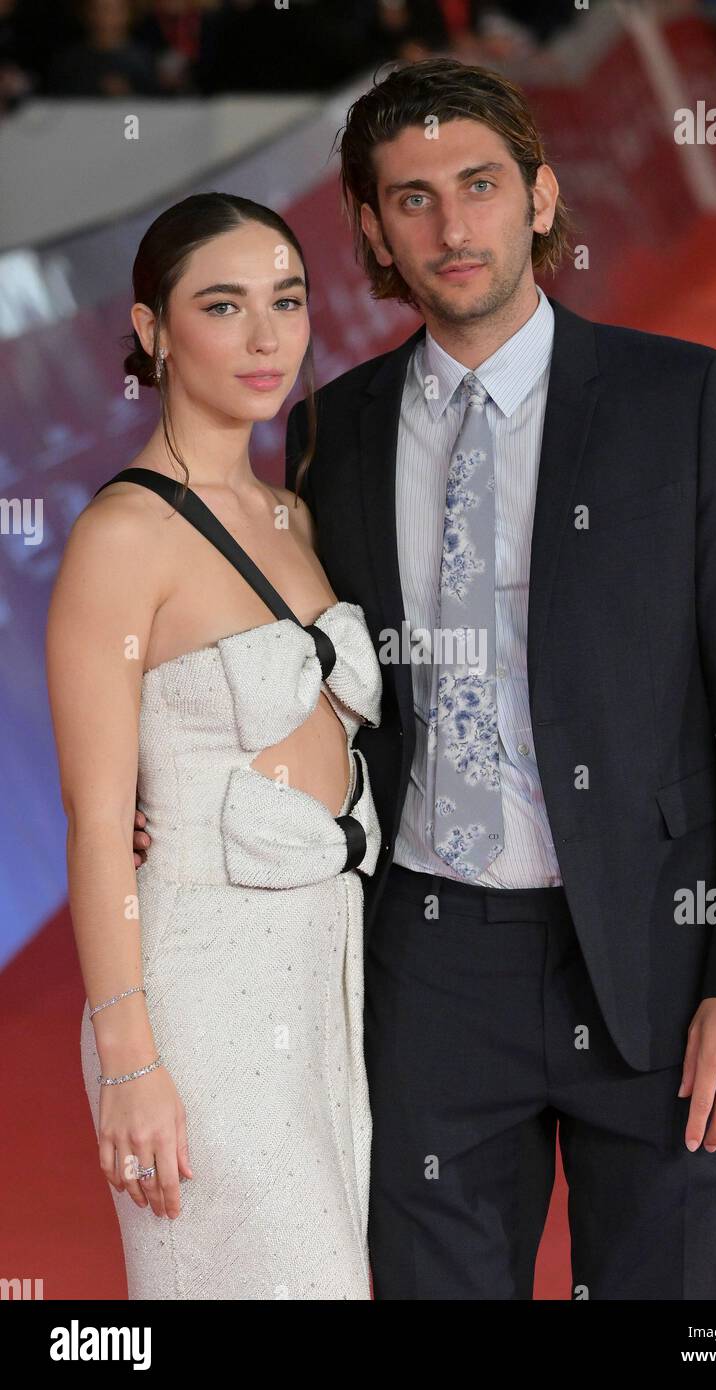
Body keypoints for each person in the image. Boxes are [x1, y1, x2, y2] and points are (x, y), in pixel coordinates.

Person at [136, 57, 716, 1301]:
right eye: (410, 199)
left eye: (480, 186)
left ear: (541, 199)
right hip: (432, 967)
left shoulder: (684, 399)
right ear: (373, 232)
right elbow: (304, 662)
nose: (452, 227)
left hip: (653, 957)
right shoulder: (332, 427)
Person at [47, 192, 383, 1300]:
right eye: (222, 305)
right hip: (199, 986)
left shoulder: (292, 512)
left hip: (327, 968)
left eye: (284, 302)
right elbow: (100, 828)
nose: (264, 338)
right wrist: (133, 1060)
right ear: (151, 330)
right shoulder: (122, 536)